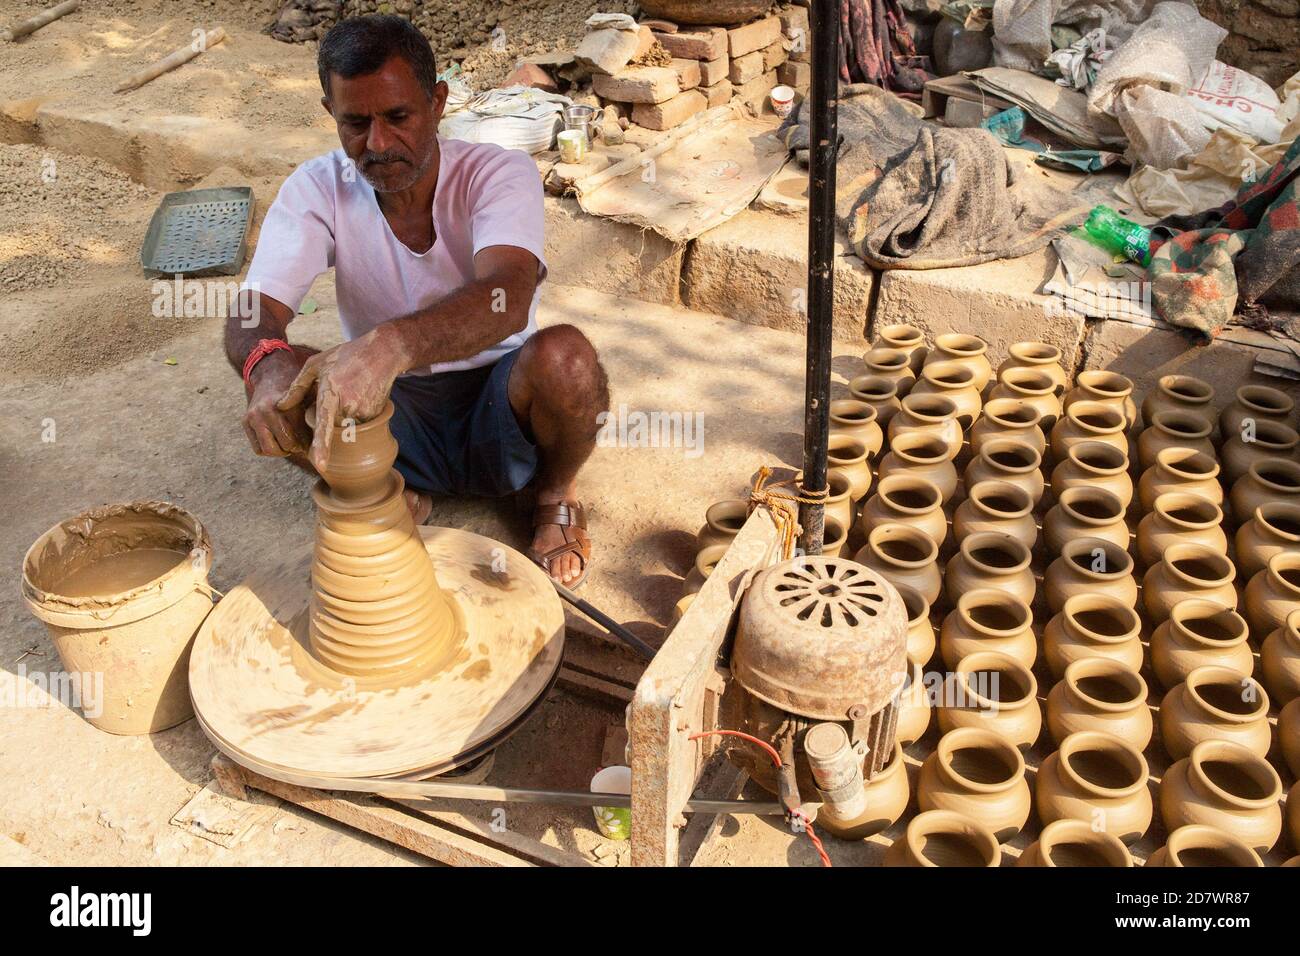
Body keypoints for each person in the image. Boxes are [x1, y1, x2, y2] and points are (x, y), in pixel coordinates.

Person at [224, 14, 607, 587]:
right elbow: (256, 310)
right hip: (391, 407)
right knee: (291, 373)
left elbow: (508, 297)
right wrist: (266, 369)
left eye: (398, 117)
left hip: (499, 400)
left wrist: (392, 343)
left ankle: (553, 491)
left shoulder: (496, 171)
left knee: (566, 359)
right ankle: (390, 489)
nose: (377, 144)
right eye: (355, 122)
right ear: (331, 114)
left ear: (438, 102)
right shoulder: (316, 186)